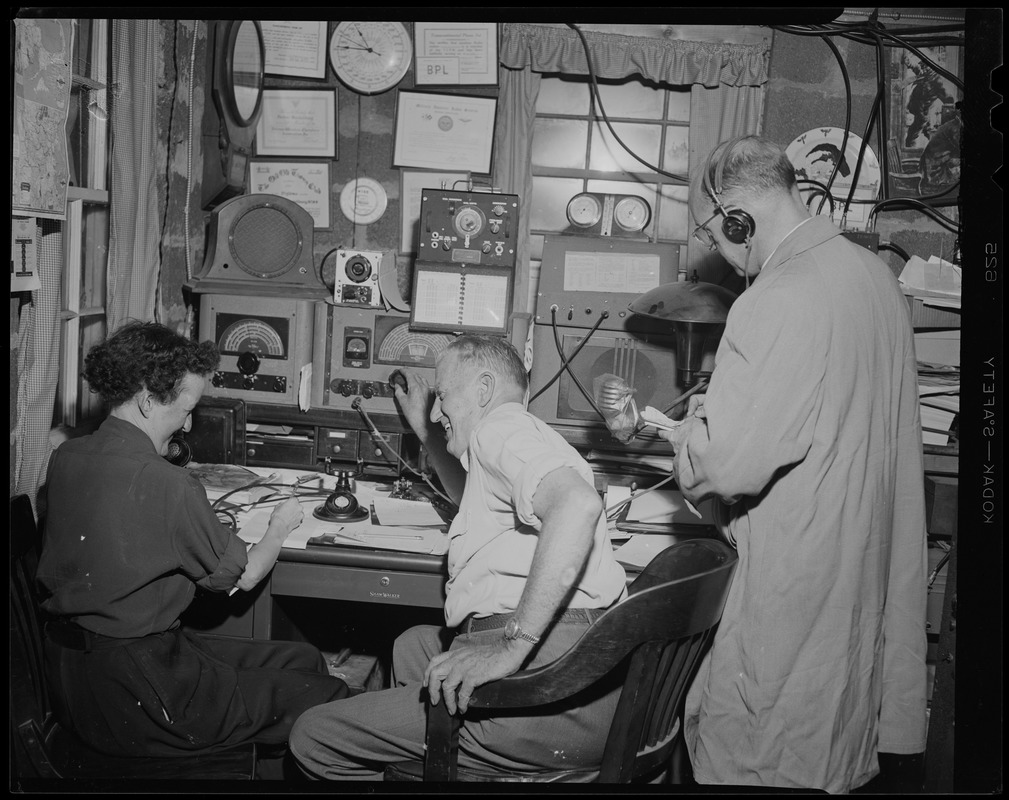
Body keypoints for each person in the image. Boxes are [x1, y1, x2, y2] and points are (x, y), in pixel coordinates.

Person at [658, 135, 928, 793]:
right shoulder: (871, 277)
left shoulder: (771, 299)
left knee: (753, 759)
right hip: (851, 593)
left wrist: (686, 430)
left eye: (713, 229)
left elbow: (721, 468)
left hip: (787, 608)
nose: (719, 247)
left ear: (735, 215)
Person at [290, 334, 627, 779]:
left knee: (312, 736)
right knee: (412, 647)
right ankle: (426, 760)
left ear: (484, 390)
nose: (435, 411)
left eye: (442, 397)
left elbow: (576, 505)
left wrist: (511, 647)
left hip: (547, 699)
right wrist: (426, 432)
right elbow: (477, 500)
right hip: (594, 682)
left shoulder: (499, 429)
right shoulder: (522, 433)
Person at [36, 321, 349, 769]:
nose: (187, 424)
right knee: (329, 693)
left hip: (76, 681)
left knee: (299, 657)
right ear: (147, 401)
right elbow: (246, 573)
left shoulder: (68, 456)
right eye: (185, 411)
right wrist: (281, 523)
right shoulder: (169, 486)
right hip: (140, 694)